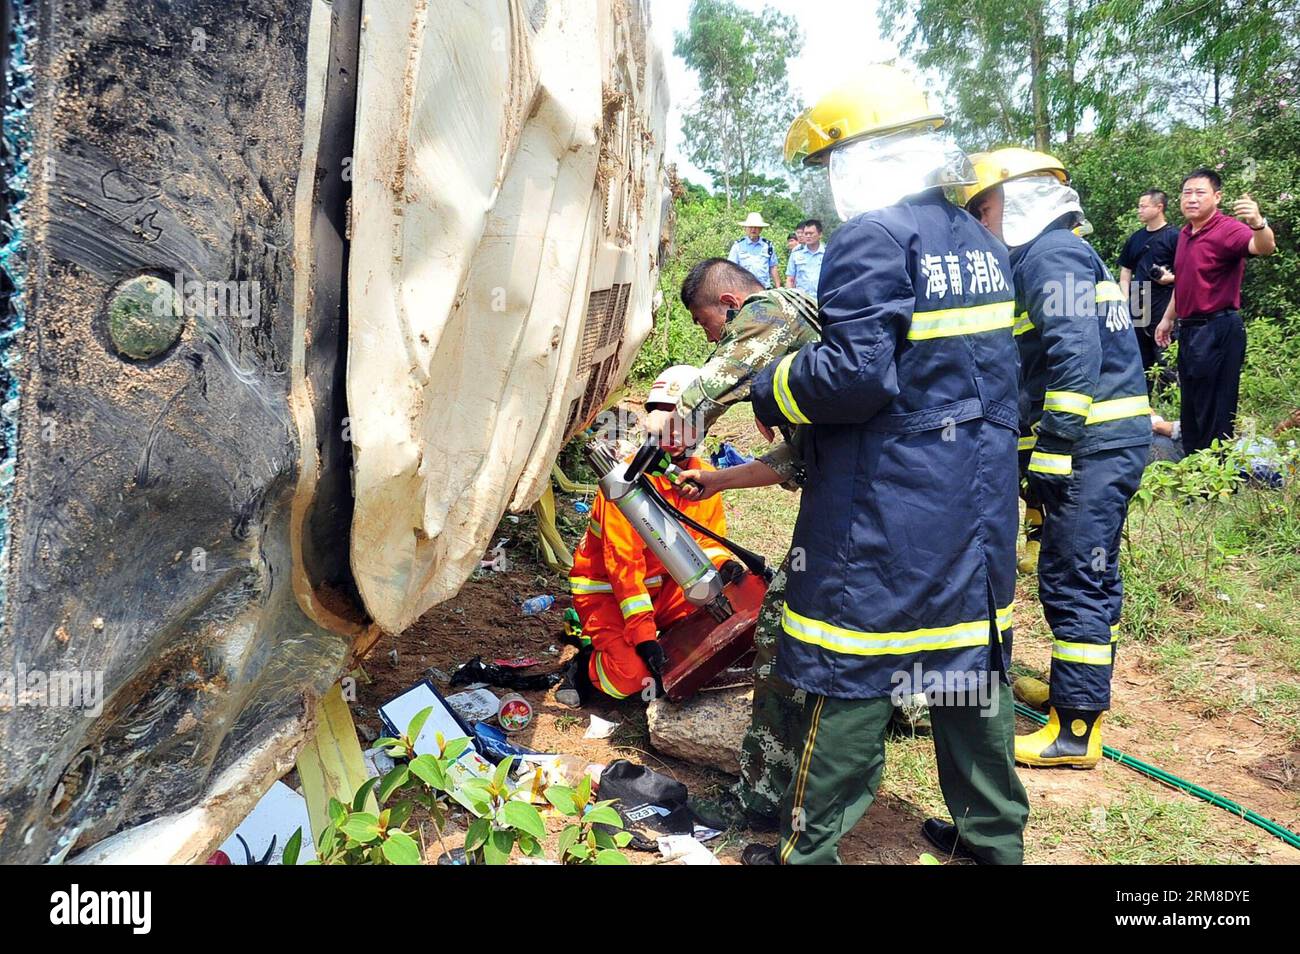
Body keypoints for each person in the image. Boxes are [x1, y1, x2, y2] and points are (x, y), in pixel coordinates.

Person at [742, 65, 1030, 865]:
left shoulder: (872, 237)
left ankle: (812, 853)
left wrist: (772, 386)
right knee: (969, 664)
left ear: (864, 158)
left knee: (852, 663)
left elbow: (855, 376)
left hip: (891, 502)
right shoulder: (976, 239)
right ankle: (991, 843)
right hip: (974, 498)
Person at [961, 147, 1151, 769]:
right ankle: (1075, 693)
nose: (978, 222)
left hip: (1091, 447)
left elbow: (1075, 356)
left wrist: (1056, 447)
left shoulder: (1053, 255)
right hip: (1093, 445)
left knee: (1076, 577)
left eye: (982, 209)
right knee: (1088, 574)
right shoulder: (1042, 256)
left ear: (1011, 202)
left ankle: (1074, 731)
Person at [563, 366, 732, 704]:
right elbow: (623, 569)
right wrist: (643, 636)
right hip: (609, 596)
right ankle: (584, 668)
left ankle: (658, 641)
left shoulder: (705, 479)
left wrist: (726, 568)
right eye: (662, 416)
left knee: (709, 638)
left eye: (679, 419)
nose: (669, 430)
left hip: (664, 592)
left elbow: (710, 546)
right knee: (631, 680)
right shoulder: (624, 487)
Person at [1154, 168, 1276, 456]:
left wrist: (1259, 223)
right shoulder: (1185, 233)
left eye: (1200, 193)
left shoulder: (1227, 229)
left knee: (1215, 407)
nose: (1192, 199)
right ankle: (1195, 468)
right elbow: (1185, 282)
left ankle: (1215, 477)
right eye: (1187, 193)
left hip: (1218, 328)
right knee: (1193, 403)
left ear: (1217, 197)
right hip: (1190, 329)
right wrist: (1168, 318)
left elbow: (1264, 246)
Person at [1118, 190, 1178, 393]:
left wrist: (1170, 279)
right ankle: (1143, 404)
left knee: (1164, 352)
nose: (1139, 210)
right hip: (1137, 297)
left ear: (1159, 207)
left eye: (1143, 206)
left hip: (1164, 299)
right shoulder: (1136, 238)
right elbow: (1126, 271)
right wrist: (1125, 301)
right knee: (1138, 353)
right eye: (1139, 206)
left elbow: (1189, 274)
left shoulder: (1174, 236)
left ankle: (1168, 401)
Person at [727, 212, 780, 288]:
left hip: (764, 287)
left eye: (756, 227)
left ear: (761, 229)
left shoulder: (768, 246)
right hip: (744, 287)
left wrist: (778, 287)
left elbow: (773, 267)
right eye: (750, 227)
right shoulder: (738, 246)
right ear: (745, 228)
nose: (753, 229)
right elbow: (731, 268)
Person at [785, 218, 825, 297]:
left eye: (811, 233)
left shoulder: (827, 254)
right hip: (801, 301)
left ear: (820, 234)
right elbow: (790, 279)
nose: (808, 236)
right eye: (806, 233)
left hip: (822, 299)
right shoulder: (796, 254)